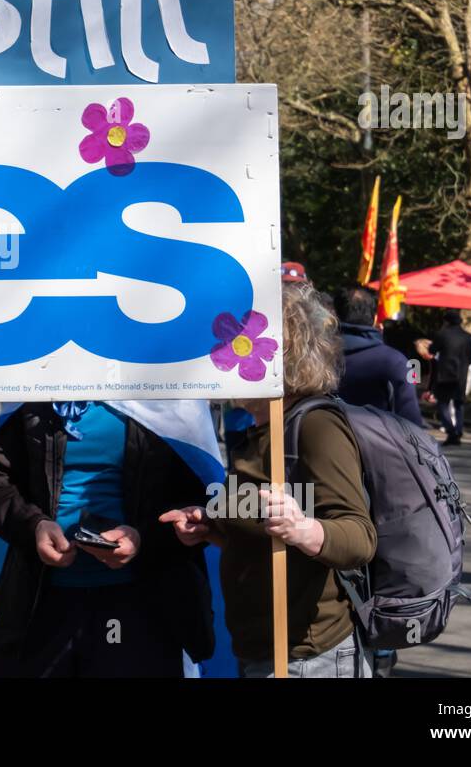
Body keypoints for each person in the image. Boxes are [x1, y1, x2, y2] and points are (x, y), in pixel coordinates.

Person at [166, 282, 377, 678]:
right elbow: (263, 525)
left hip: (308, 658)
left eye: (230, 346)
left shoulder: (316, 426)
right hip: (266, 652)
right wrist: (211, 527)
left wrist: (305, 528)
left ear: (279, 354)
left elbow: (359, 537)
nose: (220, 360)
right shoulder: (259, 431)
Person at [0, 400, 213, 678]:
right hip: (42, 601)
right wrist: (34, 527)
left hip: (141, 604)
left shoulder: (165, 389)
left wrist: (143, 538)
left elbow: (201, 498)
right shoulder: (33, 387)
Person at [332, 285, 423, 426]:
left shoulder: (316, 356)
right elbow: (411, 418)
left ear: (334, 315)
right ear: (375, 319)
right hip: (379, 443)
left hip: (324, 441)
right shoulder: (395, 361)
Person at [429, 309, 471, 447]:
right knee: (459, 404)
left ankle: (451, 431)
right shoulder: (468, 337)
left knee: (442, 403)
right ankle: (458, 430)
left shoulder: (442, 335)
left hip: (445, 374)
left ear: (446, 321)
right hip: (461, 374)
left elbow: (432, 350)